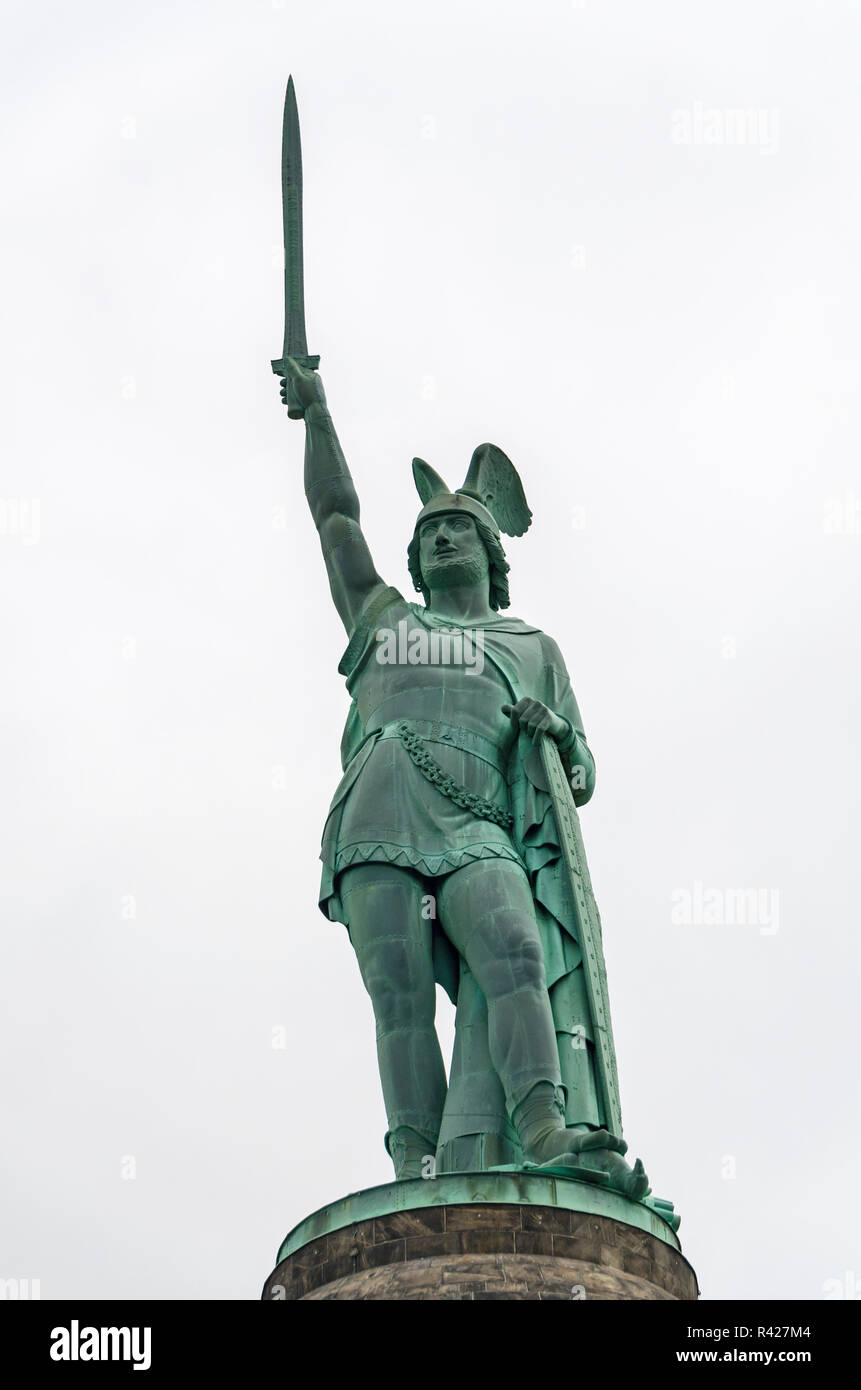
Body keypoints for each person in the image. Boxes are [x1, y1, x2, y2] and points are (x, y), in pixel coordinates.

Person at [280, 356, 648, 1198]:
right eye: (427, 533)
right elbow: (335, 518)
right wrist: (318, 416)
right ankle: (416, 1158)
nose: (441, 537)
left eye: (457, 529)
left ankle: (544, 1123)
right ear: (413, 560)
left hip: (479, 821)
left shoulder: (529, 648)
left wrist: (551, 730)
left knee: (516, 952)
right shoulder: (383, 621)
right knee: (399, 995)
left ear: (489, 550)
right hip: (380, 809)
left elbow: (580, 770)